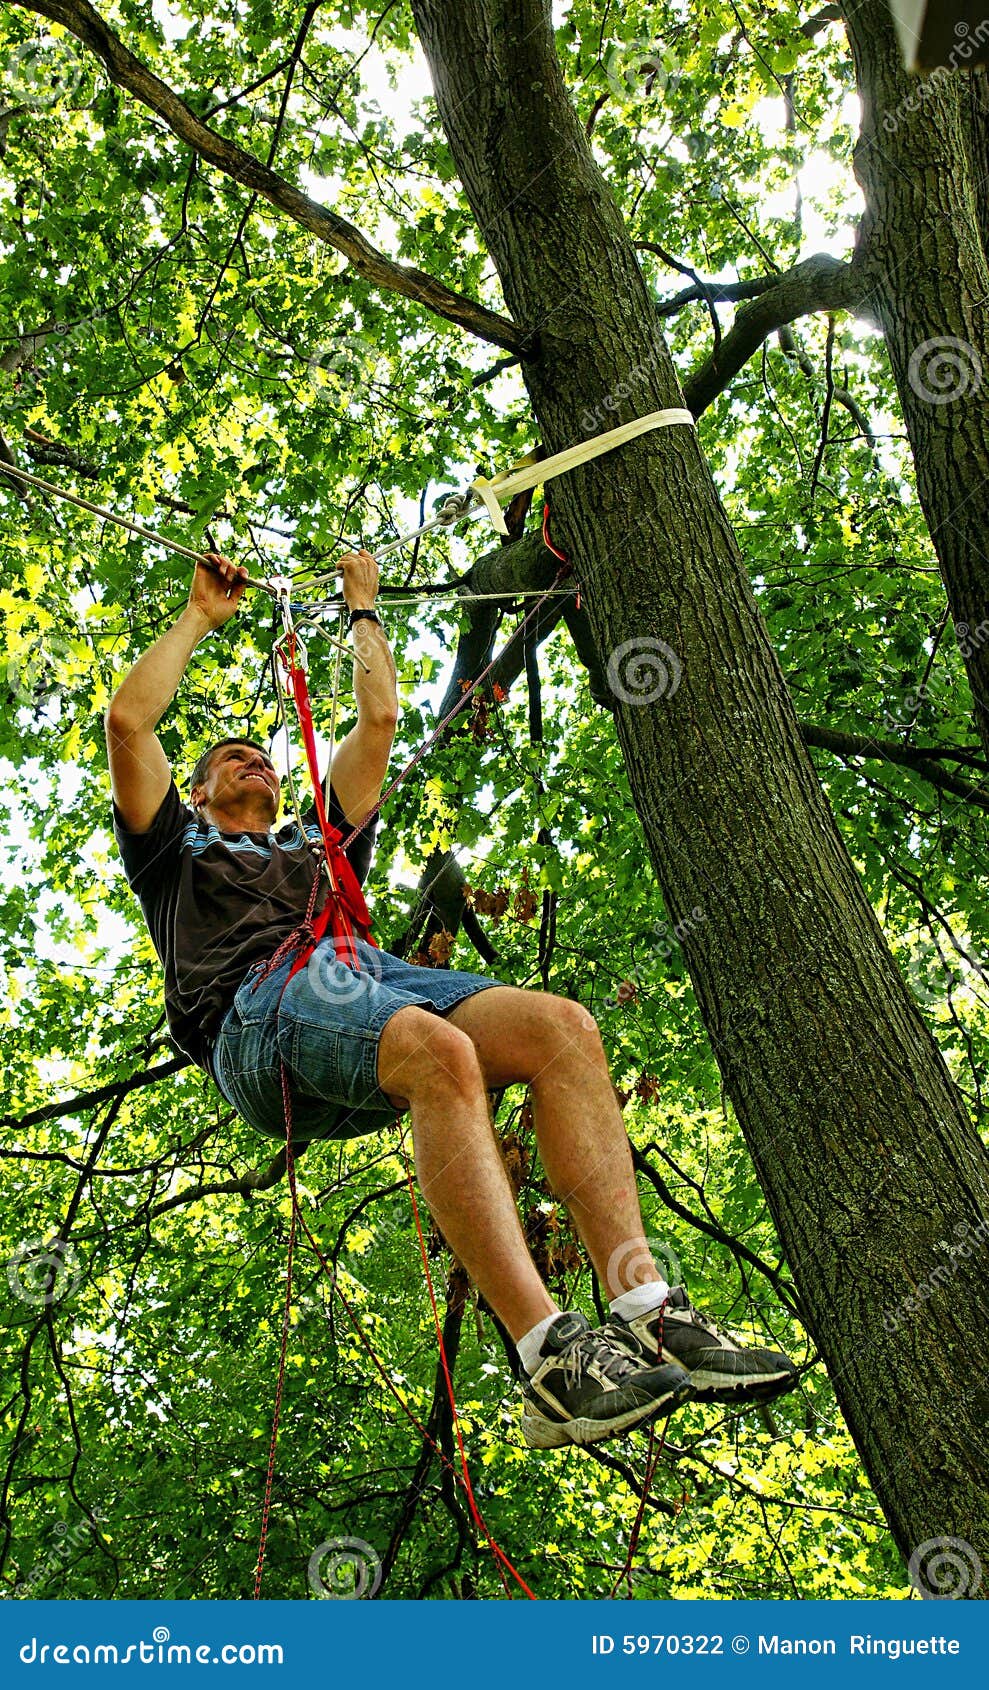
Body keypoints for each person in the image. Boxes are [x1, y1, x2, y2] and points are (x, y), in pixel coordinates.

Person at [105, 549, 798, 1451]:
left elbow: (381, 718)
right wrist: (200, 616)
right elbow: (128, 722)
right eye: (229, 760)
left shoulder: (319, 847)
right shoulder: (174, 852)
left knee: (559, 1029)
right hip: (256, 1013)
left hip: (361, 983)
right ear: (196, 791)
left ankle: (647, 1308)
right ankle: (550, 1356)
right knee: (441, 1051)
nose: (253, 762)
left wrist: (363, 607)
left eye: (262, 757)